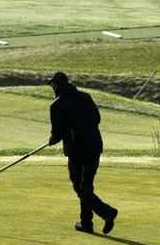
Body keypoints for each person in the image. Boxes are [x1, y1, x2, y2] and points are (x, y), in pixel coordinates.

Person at [47, 71, 117, 234]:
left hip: (78, 150)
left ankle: (107, 212)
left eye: (51, 85)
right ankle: (86, 224)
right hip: (95, 145)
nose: (51, 87)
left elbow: (56, 133)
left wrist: (52, 140)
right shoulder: (85, 97)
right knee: (87, 186)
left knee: (79, 186)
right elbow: (96, 118)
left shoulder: (57, 104)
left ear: (56, 85)